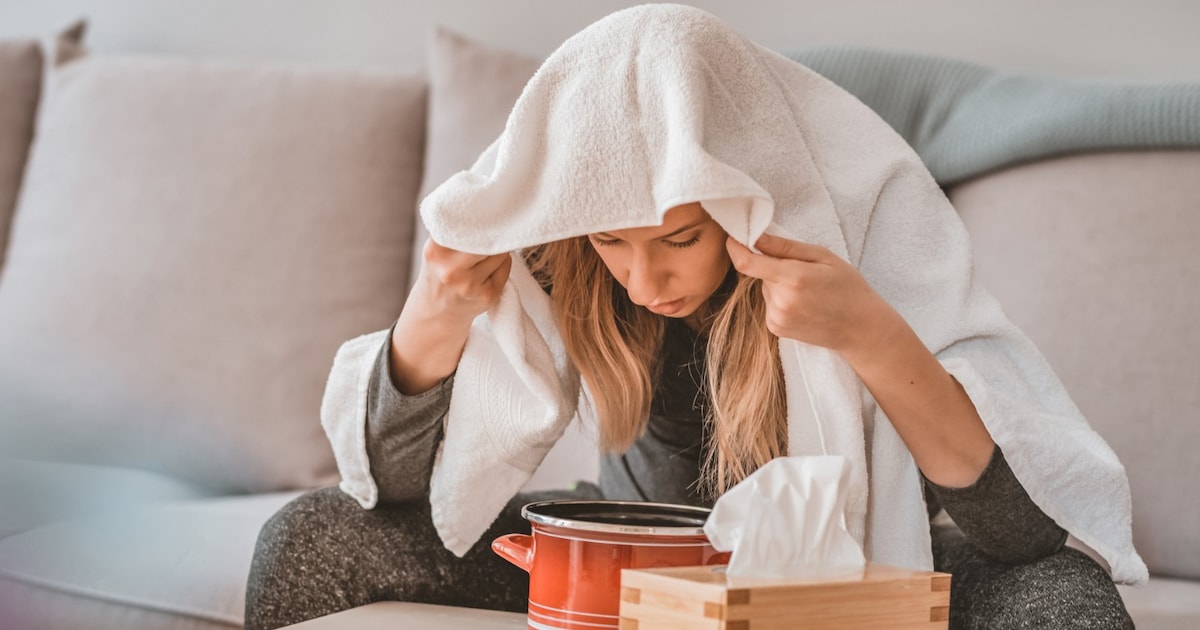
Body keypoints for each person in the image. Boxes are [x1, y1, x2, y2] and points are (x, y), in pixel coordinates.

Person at [244, 6, 1141, 629]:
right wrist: (431, 325)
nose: (642, 281)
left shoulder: (835, 237)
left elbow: (1022, 534)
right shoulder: (567, 268)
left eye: (679, 236)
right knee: (311, 539)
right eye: (613, 243)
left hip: (842, 564)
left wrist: (869, 333)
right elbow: (395, 495)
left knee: (1063, 599)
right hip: (640, 560)